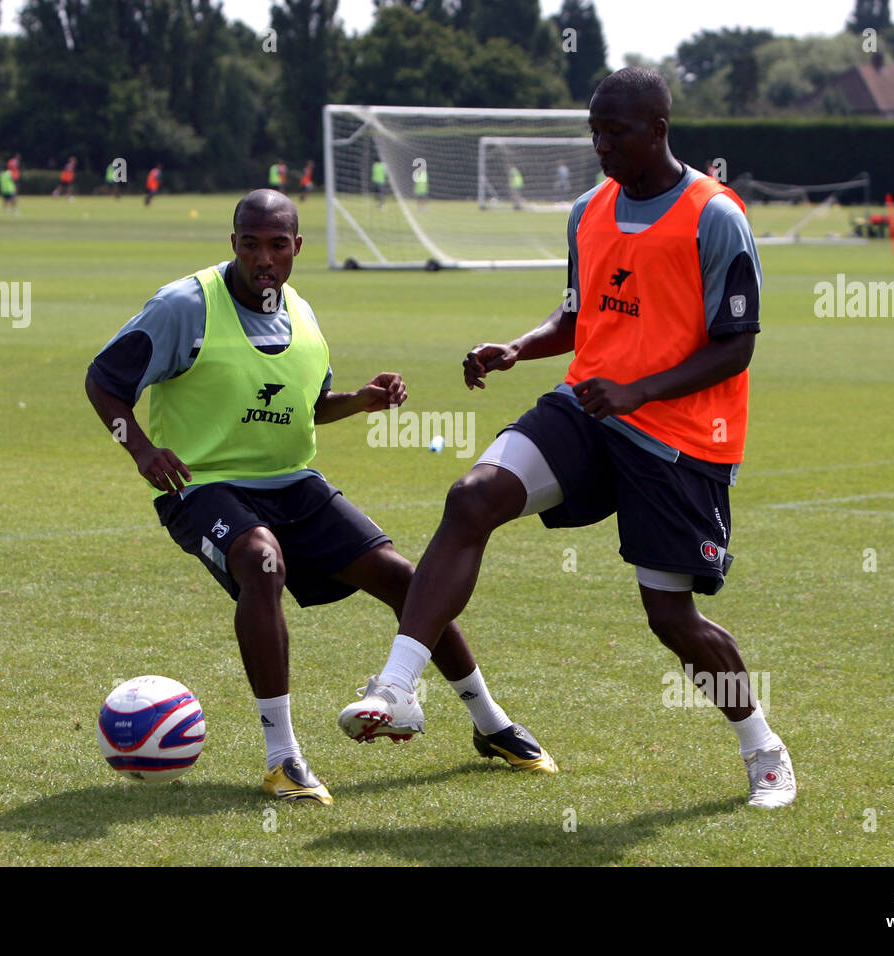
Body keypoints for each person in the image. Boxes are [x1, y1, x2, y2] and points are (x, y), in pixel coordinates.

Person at [338, 67, 797, 809]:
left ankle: (764, 749)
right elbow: (580, 317)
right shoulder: (589, 209)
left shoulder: (716, 216)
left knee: (670, 619)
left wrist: (639, 391)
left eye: (615, 132)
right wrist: (517, 348)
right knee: (473, 497)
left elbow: (736, 344)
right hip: (587, 410)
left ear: (657, 130)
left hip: (678, 439)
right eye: (594, 131)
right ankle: (397, 687)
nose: (601, 145)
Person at [84, 190, 556, 806]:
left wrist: (361, 400)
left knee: (404, 577)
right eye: (250, 243)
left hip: (291, 482)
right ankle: (283, 759)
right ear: (232, 244)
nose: (264, 258)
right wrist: (141, 449)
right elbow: (104, 381)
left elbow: (306, 409)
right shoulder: (185, 306)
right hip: (201, 487)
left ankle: (490, 724)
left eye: (277, 245)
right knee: (261, 561)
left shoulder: (301, 314)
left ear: (296, 248)